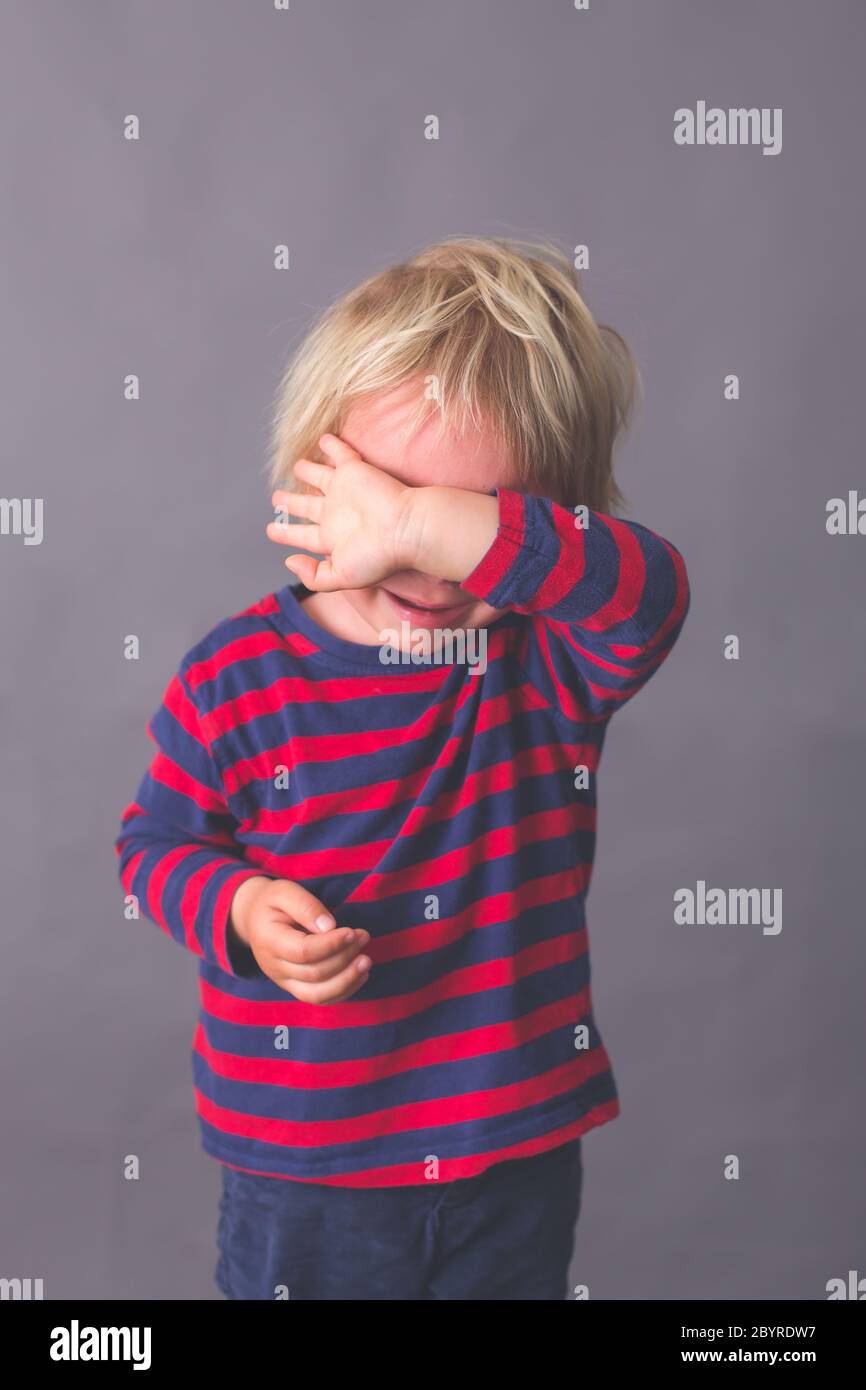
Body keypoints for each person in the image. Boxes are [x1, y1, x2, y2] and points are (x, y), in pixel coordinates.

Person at [114, 236, 690, 1300]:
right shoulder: (237, 675)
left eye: (466, 522)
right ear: (314, 473)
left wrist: (424, 523)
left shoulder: (547, 661)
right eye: (389, 500)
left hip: (509, 1151)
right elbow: (151, 847)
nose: (417, 557)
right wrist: (237, 906)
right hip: (302, 1161)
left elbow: (645, 590)